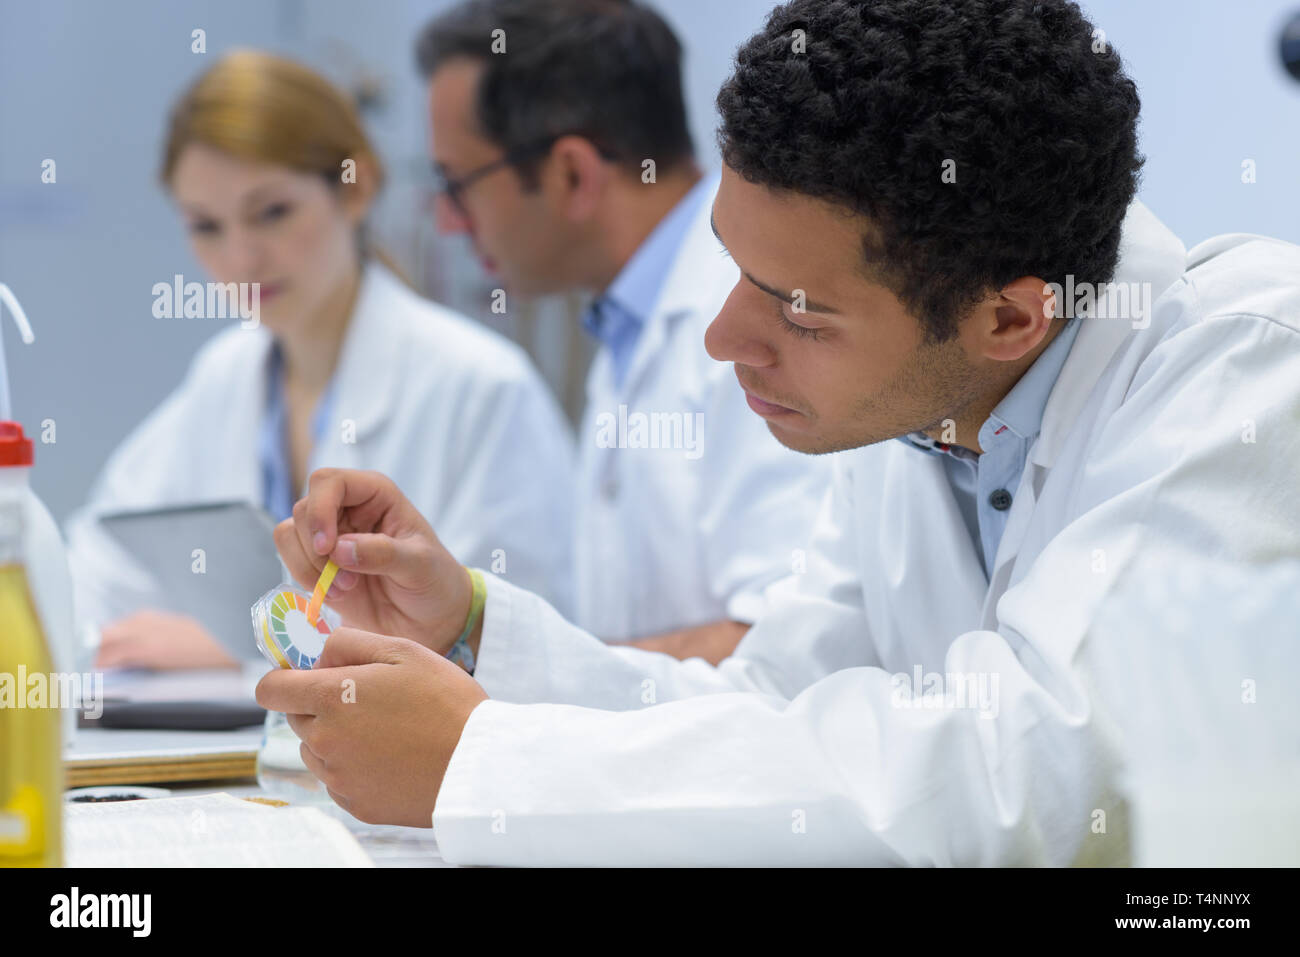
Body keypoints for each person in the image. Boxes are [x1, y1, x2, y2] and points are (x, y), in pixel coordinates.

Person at [257, 0, 1300, 865]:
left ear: (1007, 319)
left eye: (797, 310)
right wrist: (470, 629)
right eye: (731, 270)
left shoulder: (1243, 363)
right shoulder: (922, 407)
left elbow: (1033, 774)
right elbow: (770, 705)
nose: (721, 338)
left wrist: (486, 768)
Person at [65, 50, 575, 671]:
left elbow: (513, 647)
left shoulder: (482, 387)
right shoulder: (225, 377)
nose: (242, 258)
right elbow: (97, 560)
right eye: (205, 226)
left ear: (353, 187)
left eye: (272, 212)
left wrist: (241, 644)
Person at [416, 0, 832, 662]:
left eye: (457, 183)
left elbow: (782, 646)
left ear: (573, 173)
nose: (445, 221)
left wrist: (497, 666)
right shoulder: (627, 326)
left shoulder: (752, 326)